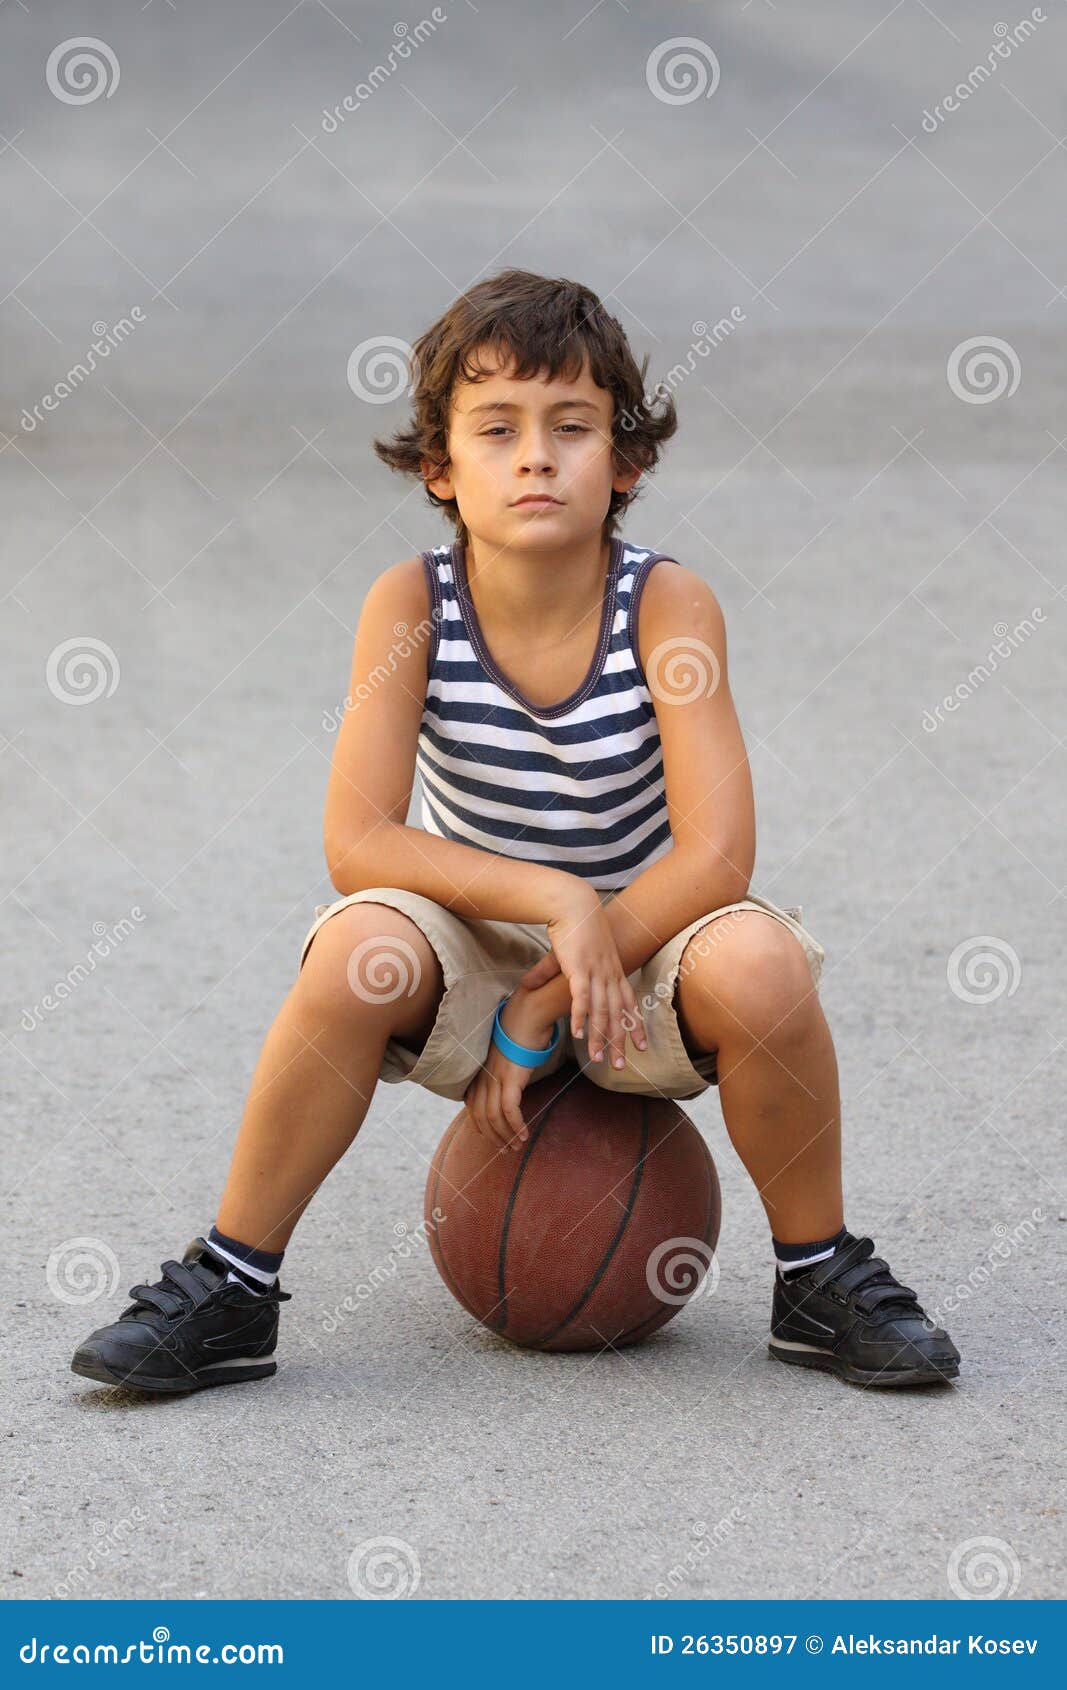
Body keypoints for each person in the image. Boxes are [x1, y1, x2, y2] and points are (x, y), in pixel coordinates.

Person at [71, 268, 960, 1395]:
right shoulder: (411, 605)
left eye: (571, 426)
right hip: (487, 950)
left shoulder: (665, 606)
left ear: (624, 463)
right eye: (496, 428)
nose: (534, 455)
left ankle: (817, 1275)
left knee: (762, 960)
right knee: (358, 947)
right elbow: (357, 840)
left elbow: (718, 855)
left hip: (643, 959)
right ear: (439, 468)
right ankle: (235, 1283)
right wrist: (550, 904)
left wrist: (572, 968)